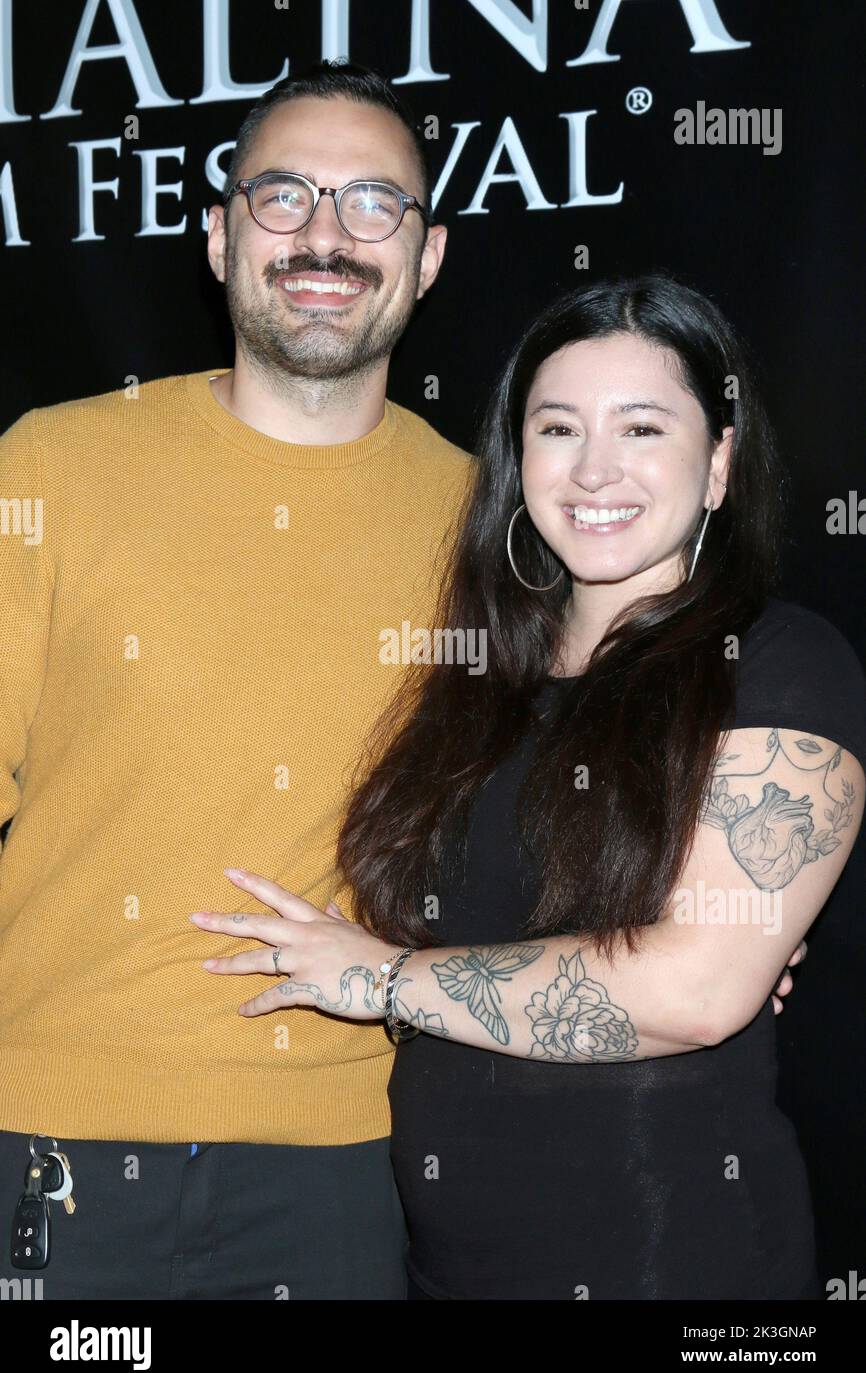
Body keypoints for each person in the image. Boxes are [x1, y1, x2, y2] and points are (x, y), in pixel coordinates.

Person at [200, 274, 866, 1300]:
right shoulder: (473, 685)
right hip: (442, 1270)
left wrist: (379, 982)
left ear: (718, 462)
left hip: (672, 1262)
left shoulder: (779, 664)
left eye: (642, 427)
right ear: (518, 462)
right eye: (556, 428)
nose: (595, 468)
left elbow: (692, 991)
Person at [0, 62, 470, 1299]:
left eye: (377, 203)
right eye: (284, 195)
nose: (327, 234)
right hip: (48, 1136)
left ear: (426, 259)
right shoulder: (52, 463)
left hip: (346, 1165)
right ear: (216, 238)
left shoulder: (492, 525)